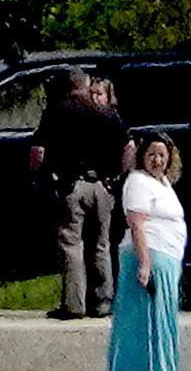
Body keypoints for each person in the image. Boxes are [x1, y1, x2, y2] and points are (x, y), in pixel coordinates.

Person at [37, 68, 132, 321]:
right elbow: (129, 147)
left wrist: (40, 176)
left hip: (71, 185)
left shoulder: (57, 112)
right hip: (102, 186)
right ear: (86, 85)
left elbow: (38, 152)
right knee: (101, 244)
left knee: (71, 244)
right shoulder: (106, 112)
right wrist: (117, 177)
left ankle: (73, 304)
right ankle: (103, 301)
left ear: (67, 87)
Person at [108, 133, 187, 371]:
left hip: (168, 257)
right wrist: (144, 263)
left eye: (162, 155)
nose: (157, 160)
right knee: (142, 319)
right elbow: (137, 224)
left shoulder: (163, 183)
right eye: (152, 154)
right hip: (149, 254)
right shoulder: (138, 182)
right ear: (142, 156)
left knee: (163, 318)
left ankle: (163, 370)